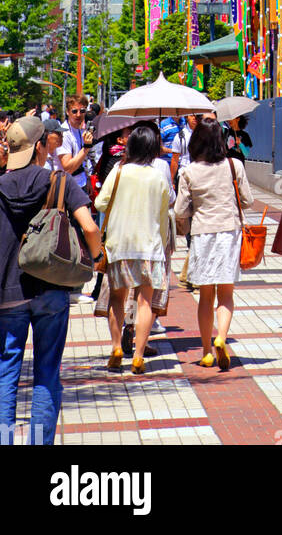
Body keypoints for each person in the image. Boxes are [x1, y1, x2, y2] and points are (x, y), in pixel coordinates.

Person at [0, 118, 103, 444]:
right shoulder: (59, 182)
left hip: (7, 292)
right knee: (46, 375)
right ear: (40, 146)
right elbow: (89, 227)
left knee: (5, 374)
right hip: (50, 289)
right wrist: (98, 258)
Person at [174, 119, 254, 371]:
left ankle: (207, 350)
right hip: (229, 232)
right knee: (226, 293)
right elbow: (248, 201)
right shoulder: (234, 165)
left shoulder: (189, 171)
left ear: (196, 141)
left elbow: (180, 209)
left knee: (205, 295)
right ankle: (222, 337)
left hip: (202, 234)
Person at [94, 122, 170, 377]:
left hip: (120, 245)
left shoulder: (118, 171)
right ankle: (138, 355)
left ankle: (117, 348)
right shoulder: (158, 176)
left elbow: (100, 202)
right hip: (149, 247)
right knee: (145, 301)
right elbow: (162, 217)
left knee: (117, 298)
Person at [58, 96, 93, 192]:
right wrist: (86, 148)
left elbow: (84, 160)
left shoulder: (80, 130)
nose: (78, 115)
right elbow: (68, 168)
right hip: (68, 186)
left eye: (82, 111)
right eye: (74, 111)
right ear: (67, 112)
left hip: (82, 181)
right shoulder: (64, 133)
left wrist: (88, 178)